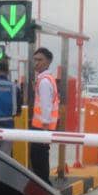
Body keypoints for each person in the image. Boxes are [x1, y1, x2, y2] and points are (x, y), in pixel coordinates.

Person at [29, 47, 59, 184]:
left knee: (38, 159)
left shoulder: (45, 81)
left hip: (42, 127)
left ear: (48, 62)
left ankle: (45, 186)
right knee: (40, 158)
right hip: (42, 127)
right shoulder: (45, 79)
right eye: (35, 60)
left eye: (40, 60)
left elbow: (46, 106)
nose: (36, 63)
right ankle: (44, 185)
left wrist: (45, 130)